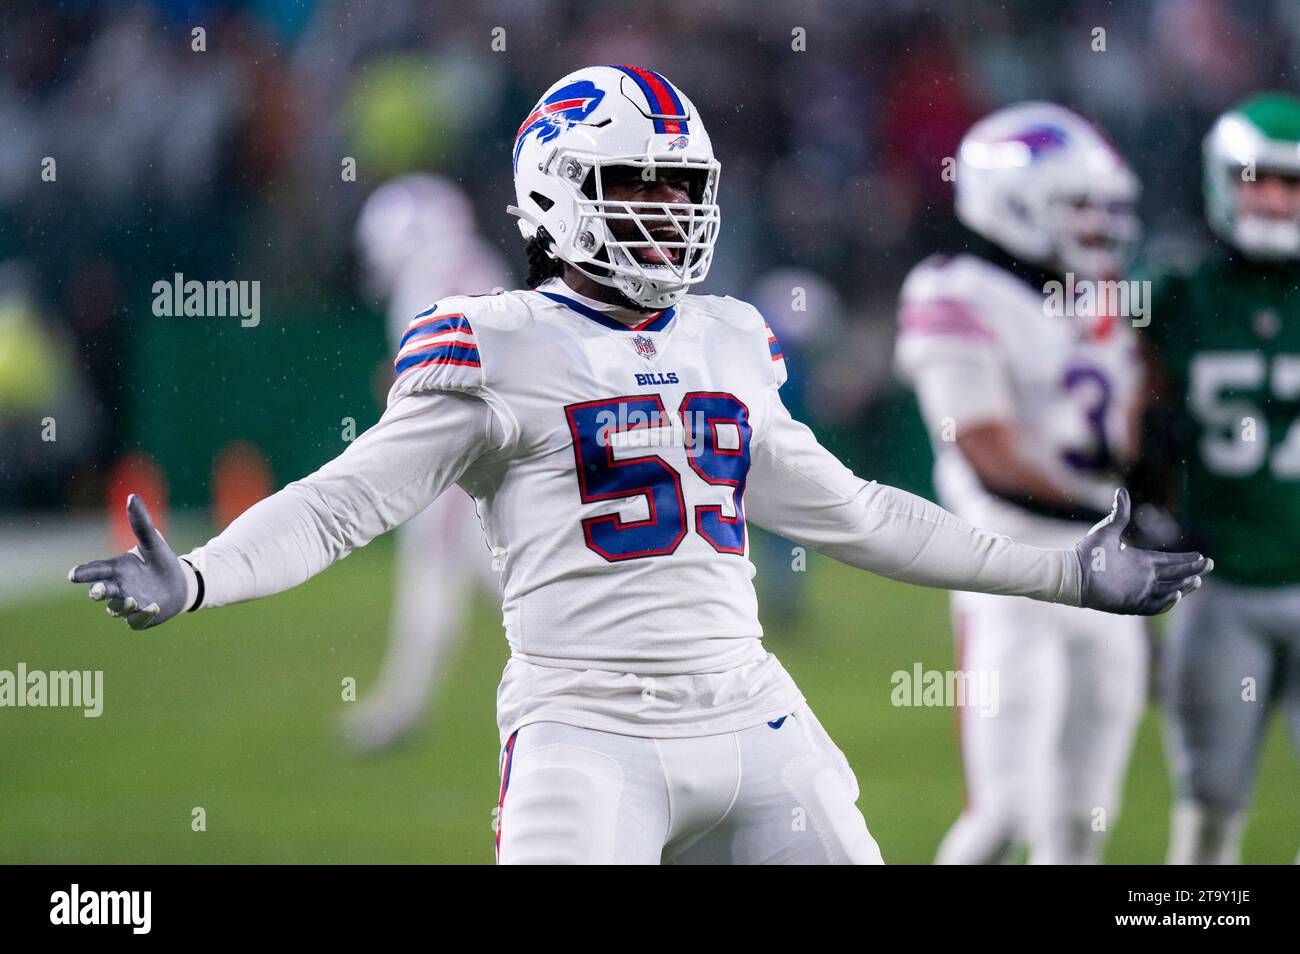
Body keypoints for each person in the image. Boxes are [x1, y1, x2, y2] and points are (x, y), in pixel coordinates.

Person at [69, 66, 1209, 865]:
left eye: (683, 190)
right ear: (554, 195)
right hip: (583, 729)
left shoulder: (726, 337)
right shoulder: (498, 342)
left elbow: (857, 515)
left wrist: (1063, 572)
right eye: (637, 189)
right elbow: (338, 507)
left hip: (755, 714)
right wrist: (205, 574)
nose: (669, 216)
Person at [895, 102, 1151, 864]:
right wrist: (1127, 514)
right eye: (1077, 203)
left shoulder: (1100, 295)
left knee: (1082, 823)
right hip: (1014, 577)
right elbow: (990, 456)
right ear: (1011, 199)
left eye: (1105, 206)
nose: (1098, 224)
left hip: (1107, 577)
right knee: (1005, 814)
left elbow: (1129, 434)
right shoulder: (955, 292)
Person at [1140, 93, 1300, 865]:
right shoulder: (1178, 295)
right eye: (1255, 178)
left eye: (1289, 183)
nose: (1271, 197)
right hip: (1219, 582)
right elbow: (1123, 428)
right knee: (1208, 810)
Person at [344, 173, 513, 754]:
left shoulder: (428, 280)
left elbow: (447, 375)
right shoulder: (480, 264)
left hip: (459, 452)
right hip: (492, 446)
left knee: (450, 568)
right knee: (489, 571)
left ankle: (403, 705)